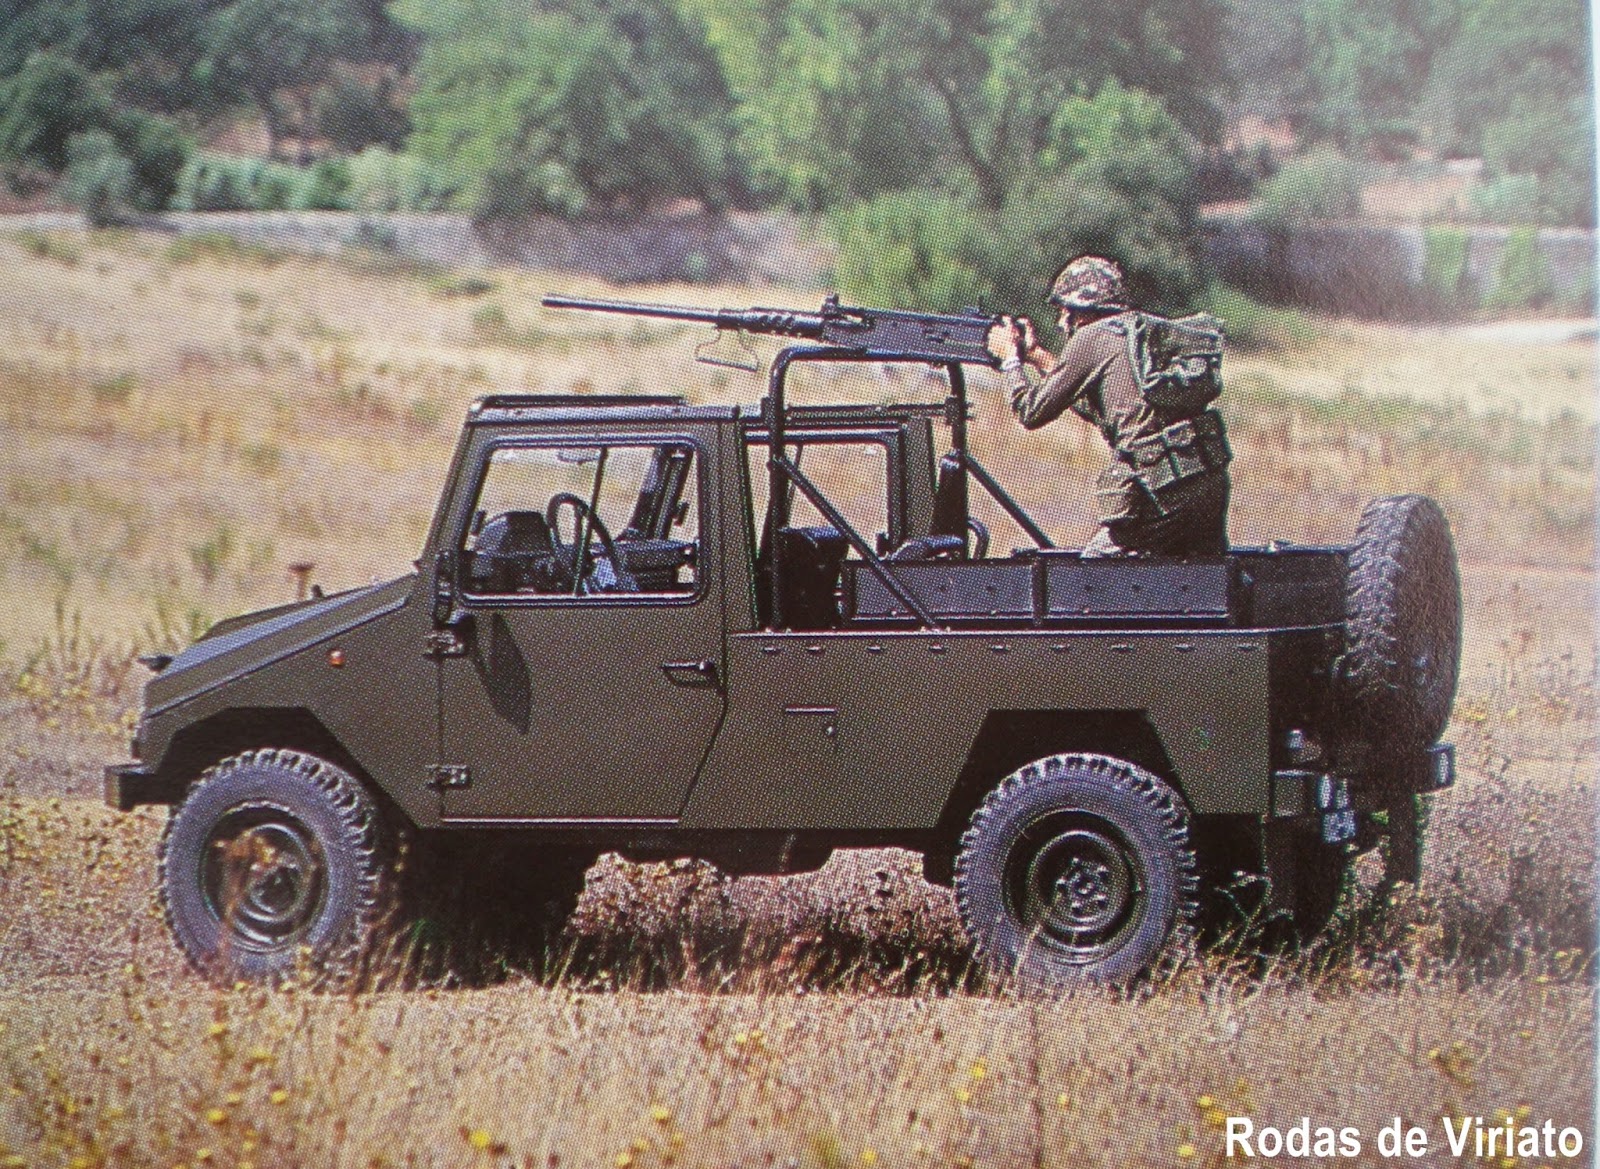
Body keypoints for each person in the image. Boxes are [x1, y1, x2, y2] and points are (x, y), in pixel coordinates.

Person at [986, 255, 1232, 558]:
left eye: (1064, 311)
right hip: (1206, 482)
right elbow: (1097, 408)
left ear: (1083, 310)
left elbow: (1031, 411)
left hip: (1160, 489)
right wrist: (1035, 355)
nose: (1061, 322)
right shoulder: (1137, 334)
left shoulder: (1090, 337)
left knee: (1096, 581)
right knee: (1207, 584)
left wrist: (1010, 359)